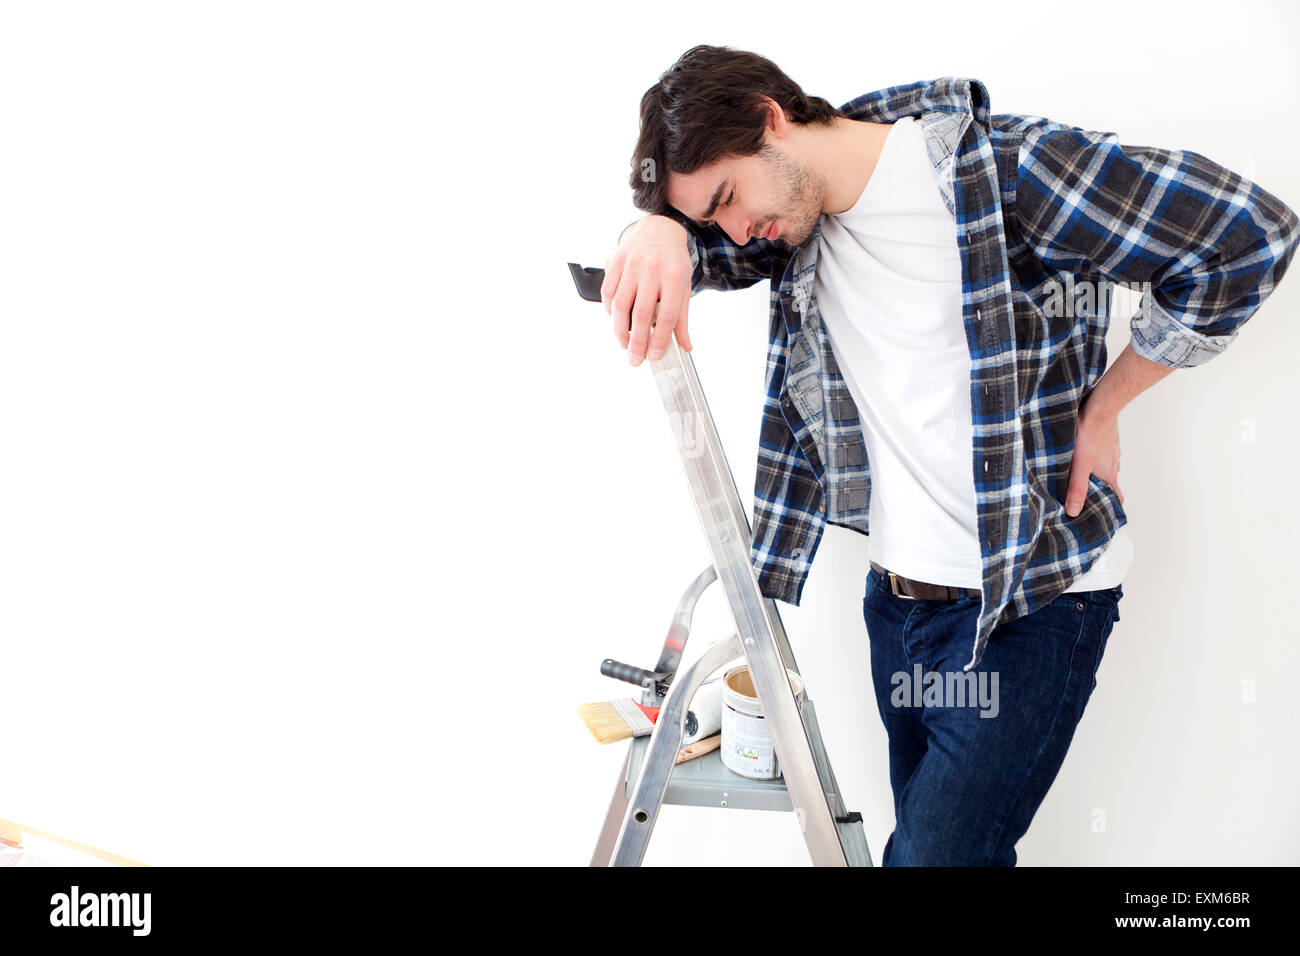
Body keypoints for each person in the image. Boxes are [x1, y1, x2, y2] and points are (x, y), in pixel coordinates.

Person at [601, 45, 1299, 865]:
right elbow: (674, 257)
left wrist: (1108, 403)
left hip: (1028, 607)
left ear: (769, 118)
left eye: (724, 199)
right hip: (898, 611)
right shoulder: (787, 224)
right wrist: (653, 228)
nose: (731, 230)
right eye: (709, 219)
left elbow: (1251, 233)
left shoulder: (1008, 174)